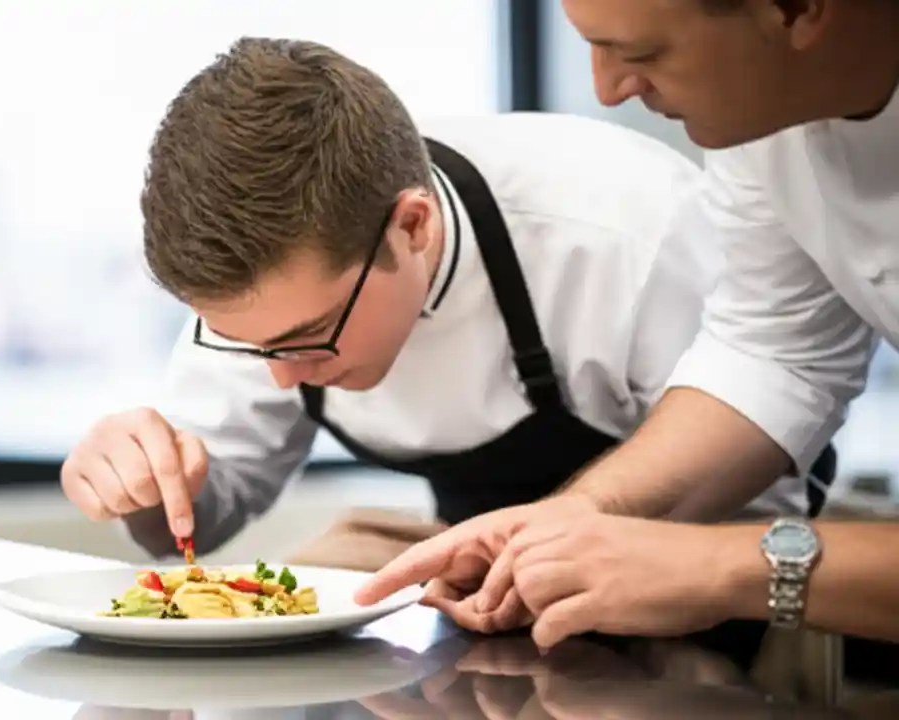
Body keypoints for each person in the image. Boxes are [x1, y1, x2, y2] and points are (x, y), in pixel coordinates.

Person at [60, 36, 823, 572]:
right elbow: (201, 520)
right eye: (249, 347)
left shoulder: (627, 231)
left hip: (684, 571)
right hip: (458, 572)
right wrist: (147, 489)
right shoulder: (262, 287)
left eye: (311, 337)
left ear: (413, 226)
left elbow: (761, 508)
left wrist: (573, 552)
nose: (283, 379)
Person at [356, 0, 899, 647]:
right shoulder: (767, 122)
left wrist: (714, 565)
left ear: (800, 10)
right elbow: (775, 357)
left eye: (641, 55)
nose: (608, 91)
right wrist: (573, 518)